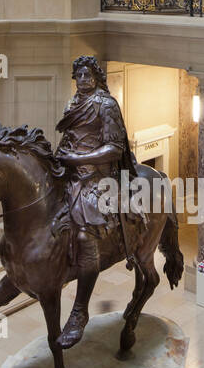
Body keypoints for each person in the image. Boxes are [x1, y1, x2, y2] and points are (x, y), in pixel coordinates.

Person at [53, 55, 144, 348]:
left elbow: (115, 148)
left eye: (87, 74)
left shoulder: (106, 105)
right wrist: (58, 160)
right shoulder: (72, 104)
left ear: (96, 76)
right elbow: (66, 140)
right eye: (77, 74)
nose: (82, 79)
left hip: (100, 177)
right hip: (70, 169)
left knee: (85, 230)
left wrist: (81, 158)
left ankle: (80, 311)